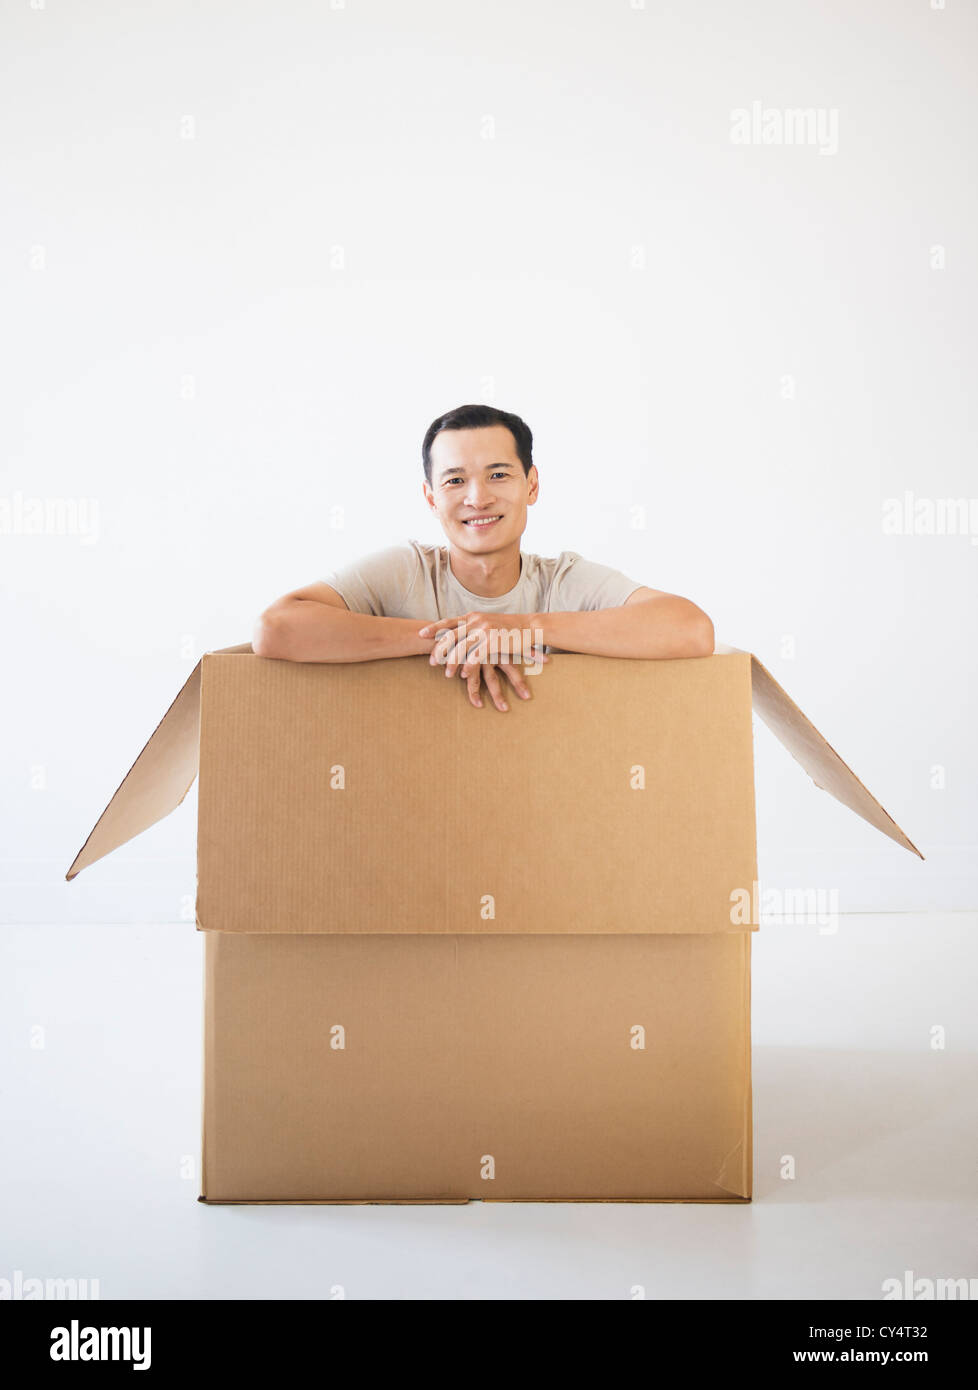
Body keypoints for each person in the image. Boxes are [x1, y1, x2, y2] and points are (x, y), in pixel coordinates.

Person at [252, 403, 715, 712]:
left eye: (498, 474)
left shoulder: (563, 582)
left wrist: (517, 630)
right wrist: (451, 641)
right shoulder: (406, 571)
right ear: (431, 498)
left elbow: (690, 629)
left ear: (531, 485)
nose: (477, 497)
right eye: (454, 481)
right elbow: (277, 628)